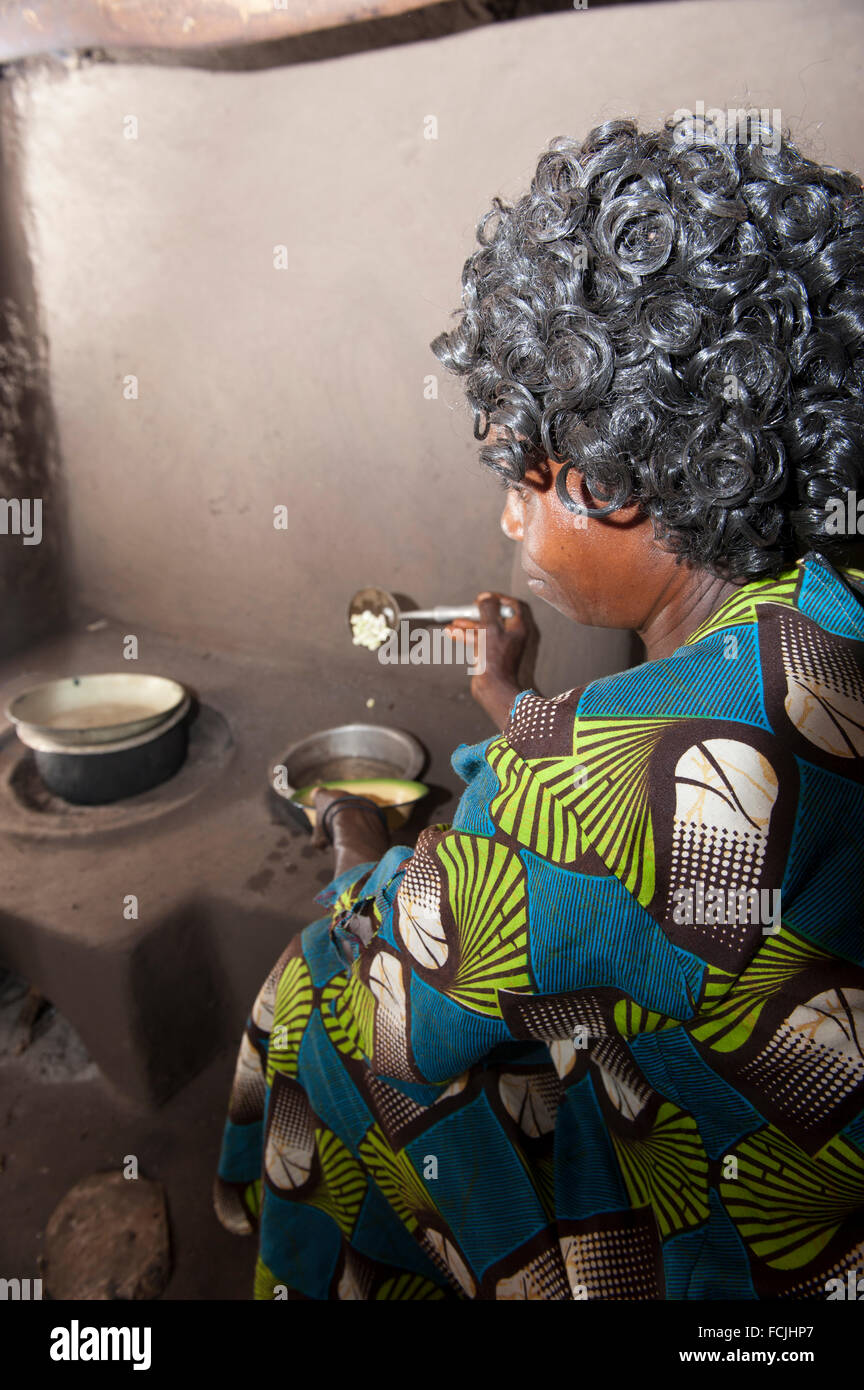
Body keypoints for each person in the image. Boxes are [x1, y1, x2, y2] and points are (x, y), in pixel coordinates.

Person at [214, 112, 864, 1300]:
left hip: (748, 1262)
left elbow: (407, 989)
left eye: (527, 478)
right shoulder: (833, 609)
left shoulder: (588, 786)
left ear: (642, 486)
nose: (510, 519)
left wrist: (357, 836)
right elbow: (649, 829)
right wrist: (509, 695)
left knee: (314, 1002)